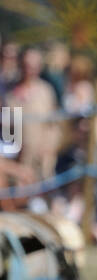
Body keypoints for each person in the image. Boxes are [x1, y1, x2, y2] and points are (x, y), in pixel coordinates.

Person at [4, 46, 61, 182]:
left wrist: (48, 149)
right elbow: (8, 135)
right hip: (19, 164)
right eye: (26, 65)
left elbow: (54, 127)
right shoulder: (10, 95)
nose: (30, 69)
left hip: (42, 163)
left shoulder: (46, 92)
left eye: (34, 66)